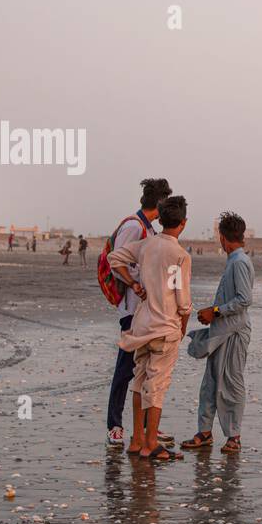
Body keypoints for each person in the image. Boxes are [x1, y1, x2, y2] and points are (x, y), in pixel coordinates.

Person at [107, 195, 192, 459]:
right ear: (183, 223)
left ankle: (137, 440)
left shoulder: (145, 245)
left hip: (142, 326)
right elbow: (183, 299)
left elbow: (114, 258)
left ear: (161, 217)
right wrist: (182, 328)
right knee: (157, 385)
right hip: (165, 326)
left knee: (139, 380)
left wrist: (133, 283)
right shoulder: (180, 255)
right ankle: (151, 443)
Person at [106, 178, 172, 448]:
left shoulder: (148, 229)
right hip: (132, 309)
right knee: (125, 368)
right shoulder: (134, 227)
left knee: (143, 369)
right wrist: (134, 283)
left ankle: (146, 428)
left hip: (145, 311)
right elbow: (117, 261)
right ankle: (115, 425)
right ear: (158, 204)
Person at [181, 212, 253, 455]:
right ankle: (204, 432)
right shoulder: (234, 260)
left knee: (231, 384)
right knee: (210, 384)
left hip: (234, 333)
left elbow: (244, 300)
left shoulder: (240, 262)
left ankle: (234, 436)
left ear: (222, 238)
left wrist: (215, 311)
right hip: (220, 331)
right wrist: (214, 315)